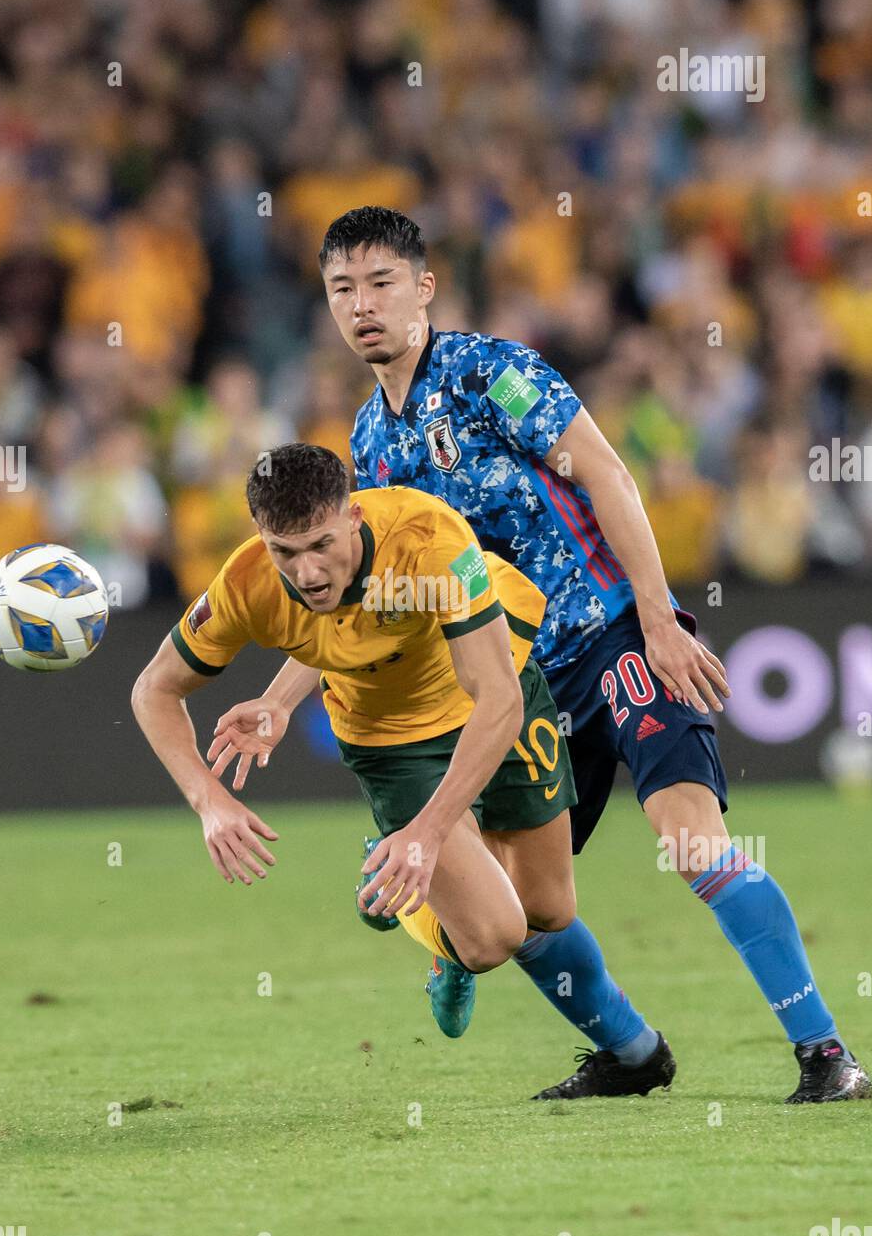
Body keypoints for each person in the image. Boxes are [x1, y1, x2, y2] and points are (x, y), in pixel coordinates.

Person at [318, 205, 872, 1105]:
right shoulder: (371, 444)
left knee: (692, 843)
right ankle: (629, 1052)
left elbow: (606, 473)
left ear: (424, 287)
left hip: (609, 628)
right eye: (343, 289)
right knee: (522, 906)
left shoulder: (491, 372)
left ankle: (825, 1056)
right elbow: (397, 591)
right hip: (519, 680)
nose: (362, 305)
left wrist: (655, 619)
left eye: (381, 283)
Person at [132, 443, 675, 1100]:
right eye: (285, 551)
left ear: (352, 518)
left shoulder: (426, 542)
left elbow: (496, 699)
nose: (305, 572)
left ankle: (393, 864)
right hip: (392, 743)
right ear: (261, 538)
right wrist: (209, 800)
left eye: (320, 545)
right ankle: (442, 937)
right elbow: (154, 690)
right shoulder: (247, 583)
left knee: (550, 910)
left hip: (495, 699)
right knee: (491, 938)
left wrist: (427, 834)